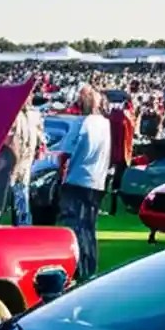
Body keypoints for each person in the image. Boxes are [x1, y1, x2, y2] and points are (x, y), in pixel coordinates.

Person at [58, 86, 111, 281]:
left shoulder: (81, 123)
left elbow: (64, 154)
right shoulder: (105, 124)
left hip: (77, 180)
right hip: (97, 181)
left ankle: (80, 268)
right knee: (89, 226)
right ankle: (90, 266)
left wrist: (59, 175)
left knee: (75, 227)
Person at [7, 103, 39, 226]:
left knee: (22, 197)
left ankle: (23, 226)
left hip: (26, 164)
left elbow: (38, 137)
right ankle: (22, 226)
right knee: (18, 197)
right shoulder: (15, 116)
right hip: (15, 165)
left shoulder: (32, 116)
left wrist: (39, 147)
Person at [107, 97, 135, 215]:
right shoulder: (127, 118)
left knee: (111, 181)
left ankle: (112, 207)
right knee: (118, 181)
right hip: (123, 153)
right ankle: (116, 207)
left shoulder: (113, 118)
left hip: (113, 152)